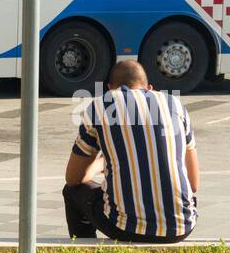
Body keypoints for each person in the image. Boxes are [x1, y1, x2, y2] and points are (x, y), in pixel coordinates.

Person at [62, 59, 199, 243]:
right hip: (181, 226)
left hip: (126, 228)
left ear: (110, 88)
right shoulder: (175, 105)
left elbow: (73, 179)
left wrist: (98, 165)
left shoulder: (100, 106)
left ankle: (84, 248)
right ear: (149, 88)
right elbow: (193, 183)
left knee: (72, 192)